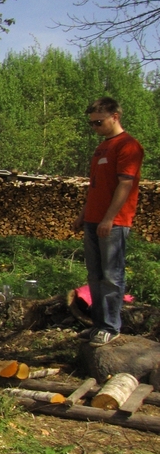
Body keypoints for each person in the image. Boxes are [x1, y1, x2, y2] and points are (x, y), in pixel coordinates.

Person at [71, 97, 144, 347]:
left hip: (114, 222)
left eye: (98, 122)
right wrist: (83, 214)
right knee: (94, 275)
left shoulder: (128, 146)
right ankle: (98, 324)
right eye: (91, 124)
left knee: (112, 275)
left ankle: (112, 326)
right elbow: (95, 187)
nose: (95, 128)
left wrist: (110, 218)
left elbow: (125, 184)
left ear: (115, 116)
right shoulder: (101, 147)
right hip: (92, 219)